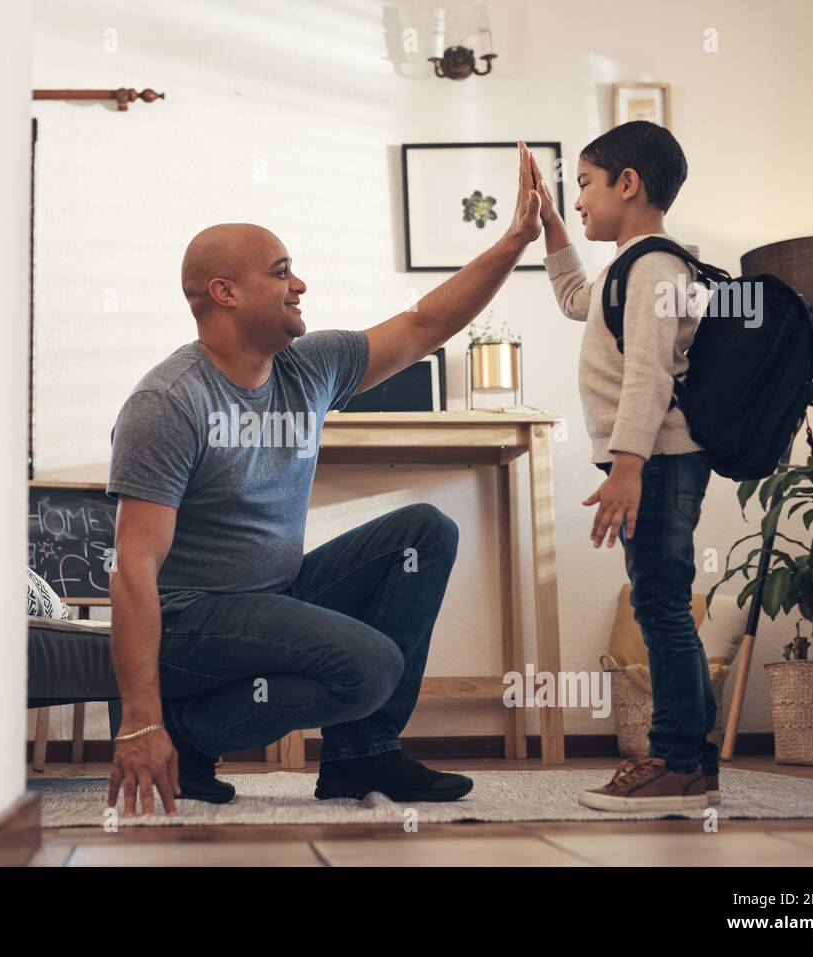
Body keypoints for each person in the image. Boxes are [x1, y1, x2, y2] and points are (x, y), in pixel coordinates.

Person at [104, 144, 545, 817]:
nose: (299, 284)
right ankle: (189, 735)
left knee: (424, 531)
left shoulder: (309, 369)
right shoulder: (169, 401)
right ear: (224, 292)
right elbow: (133, 567)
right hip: (189, 626)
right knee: (369, 665)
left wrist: (515, 241)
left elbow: (425, 323)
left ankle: (360, 754)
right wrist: (141, 722)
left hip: (270, 594)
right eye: (281, 272)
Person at [530, 121, 719, 811]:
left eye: (583, 185)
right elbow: (577, 301)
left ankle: (673, 760)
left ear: (628, 184)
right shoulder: (631, 268)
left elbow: (648, 377)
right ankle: (694, 763)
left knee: (661, 606)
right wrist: (551, 225)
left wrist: (627, 466)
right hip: (654, 462)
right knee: (665, 603)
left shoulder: (656, 269)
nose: (578, 201)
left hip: (660, 462)